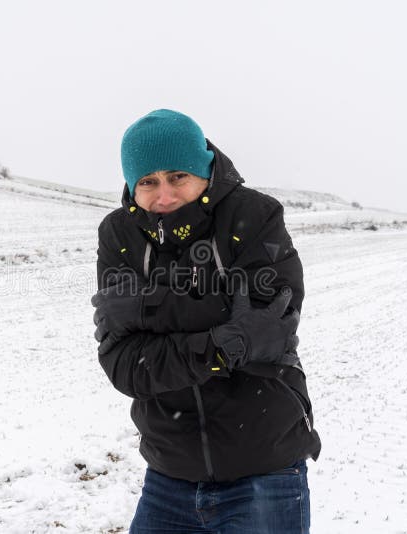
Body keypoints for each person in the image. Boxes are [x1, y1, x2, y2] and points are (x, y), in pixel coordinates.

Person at [91, 109, 321, 533]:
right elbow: (125, 365)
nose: (164, 196)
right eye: (148, 182)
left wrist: (143, 310)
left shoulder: (254, 215)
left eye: (177, 176)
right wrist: (222, 343)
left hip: (265, 471)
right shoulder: (118, 233)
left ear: (204, 169)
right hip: (168, 477)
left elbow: (269, 328)